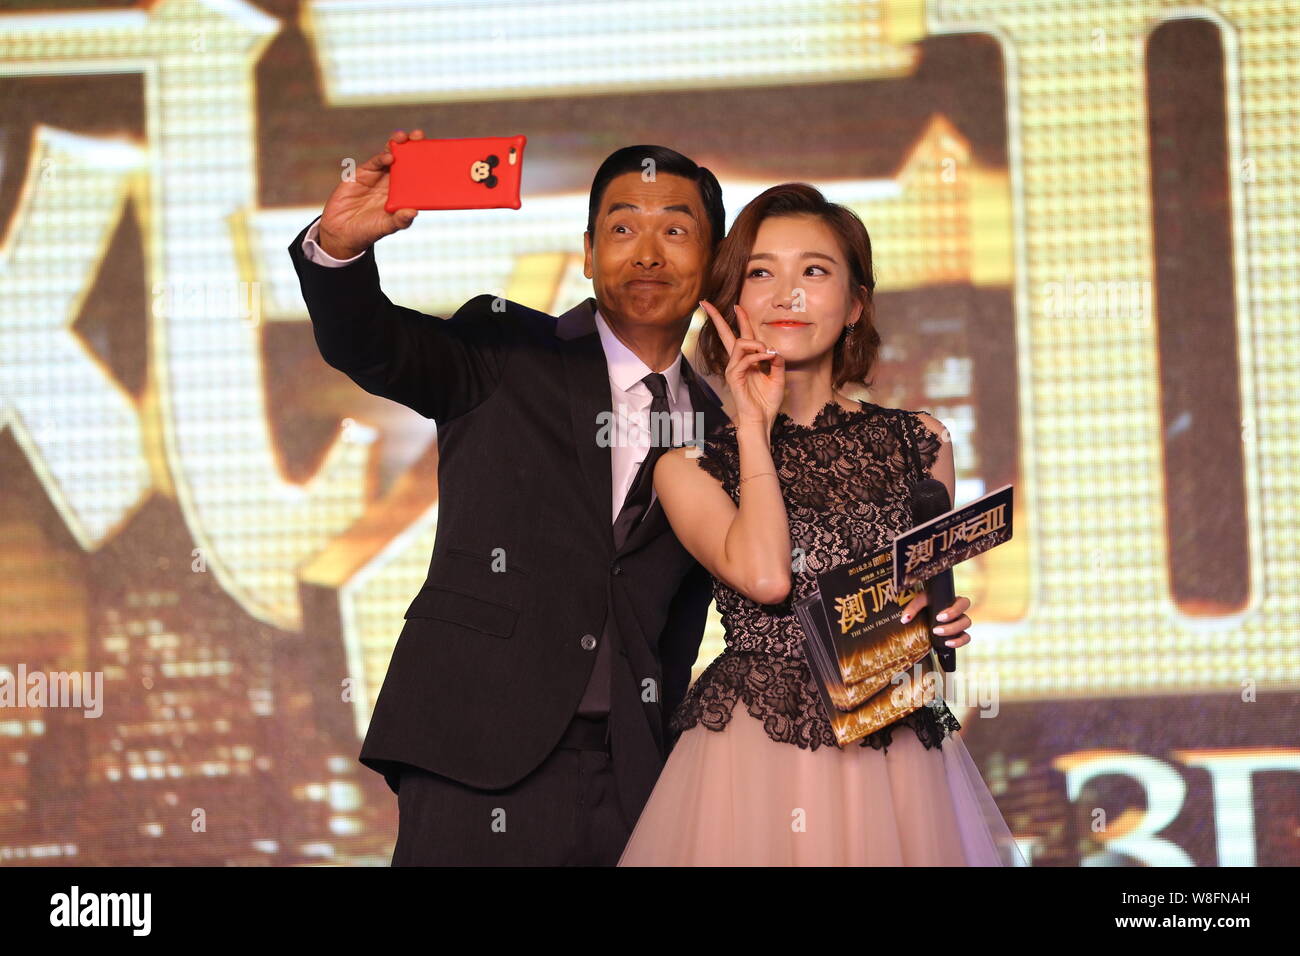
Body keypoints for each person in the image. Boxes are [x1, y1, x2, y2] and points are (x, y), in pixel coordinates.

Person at [287, 135, 731, 865]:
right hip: (475, 755)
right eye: (622, 228)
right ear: (587, 253)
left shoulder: (725, 429)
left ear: (712, 263)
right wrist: (338, 253)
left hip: (637, 779)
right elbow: (372, 345)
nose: (647, 253)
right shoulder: (505, 349)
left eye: (675, 231)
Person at [618, 183, 1025, 865]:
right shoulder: (686, 466)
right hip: (750, 757)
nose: (789, 294)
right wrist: (751, 422)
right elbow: (767, 576)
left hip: (890, 749)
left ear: (857, 302)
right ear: (731, 303)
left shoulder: (920, 442)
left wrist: (935, 622)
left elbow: (920, 611)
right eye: (761, 272)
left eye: (814, 270)